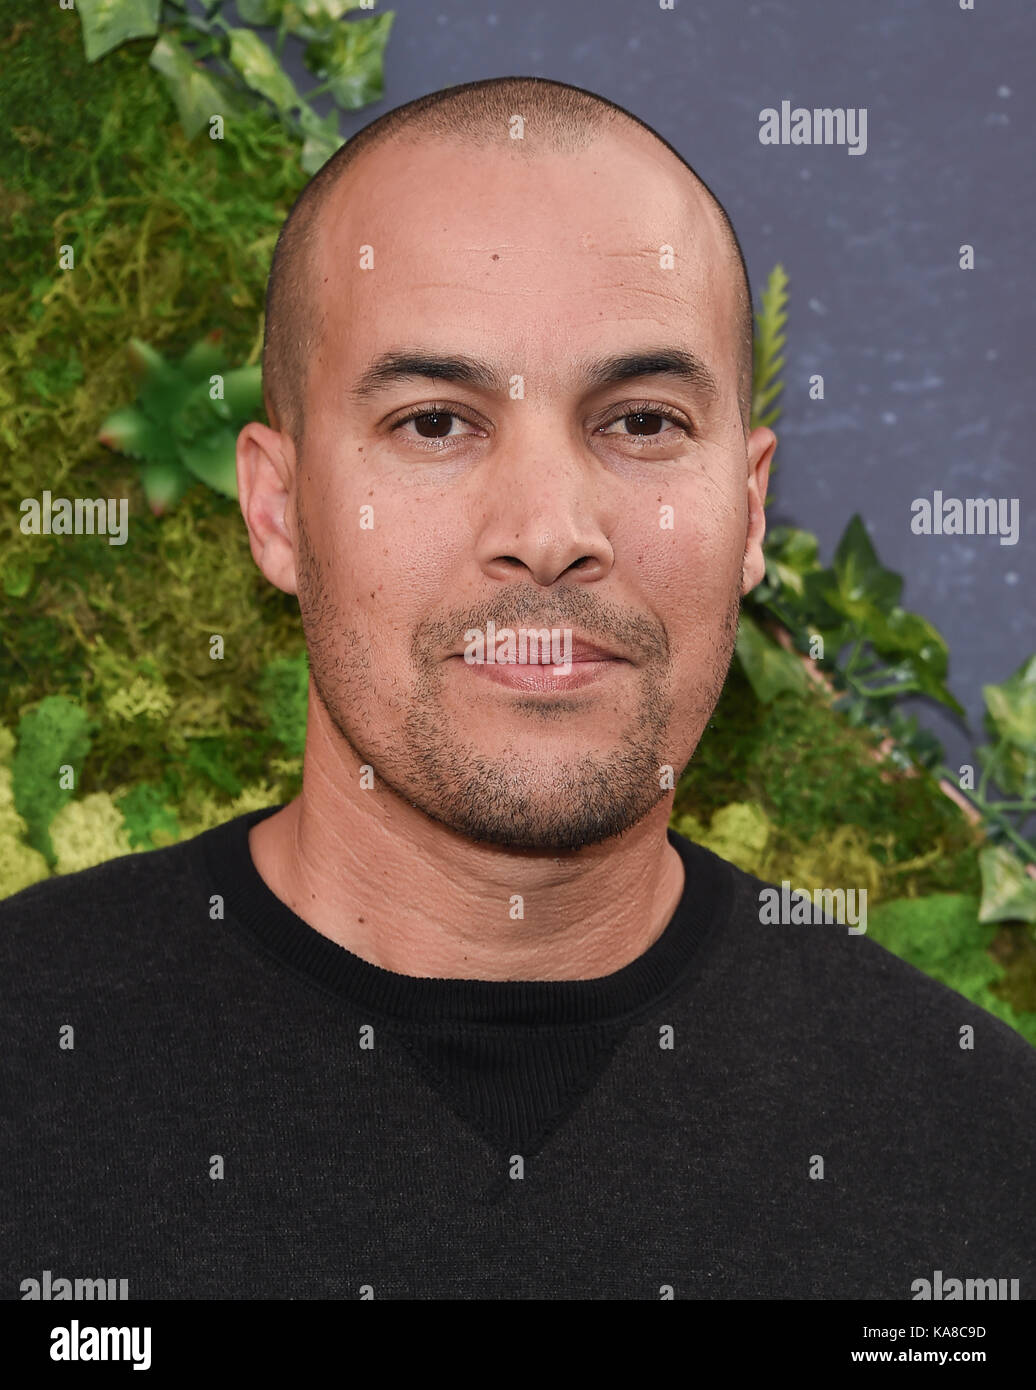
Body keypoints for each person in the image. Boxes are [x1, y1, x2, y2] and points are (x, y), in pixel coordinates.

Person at [2, 76, 1032, 1302]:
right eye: (435, 423)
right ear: (277, 510)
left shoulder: (980, 1149)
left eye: (642, 421)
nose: (550, 530)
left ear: (749, 509)